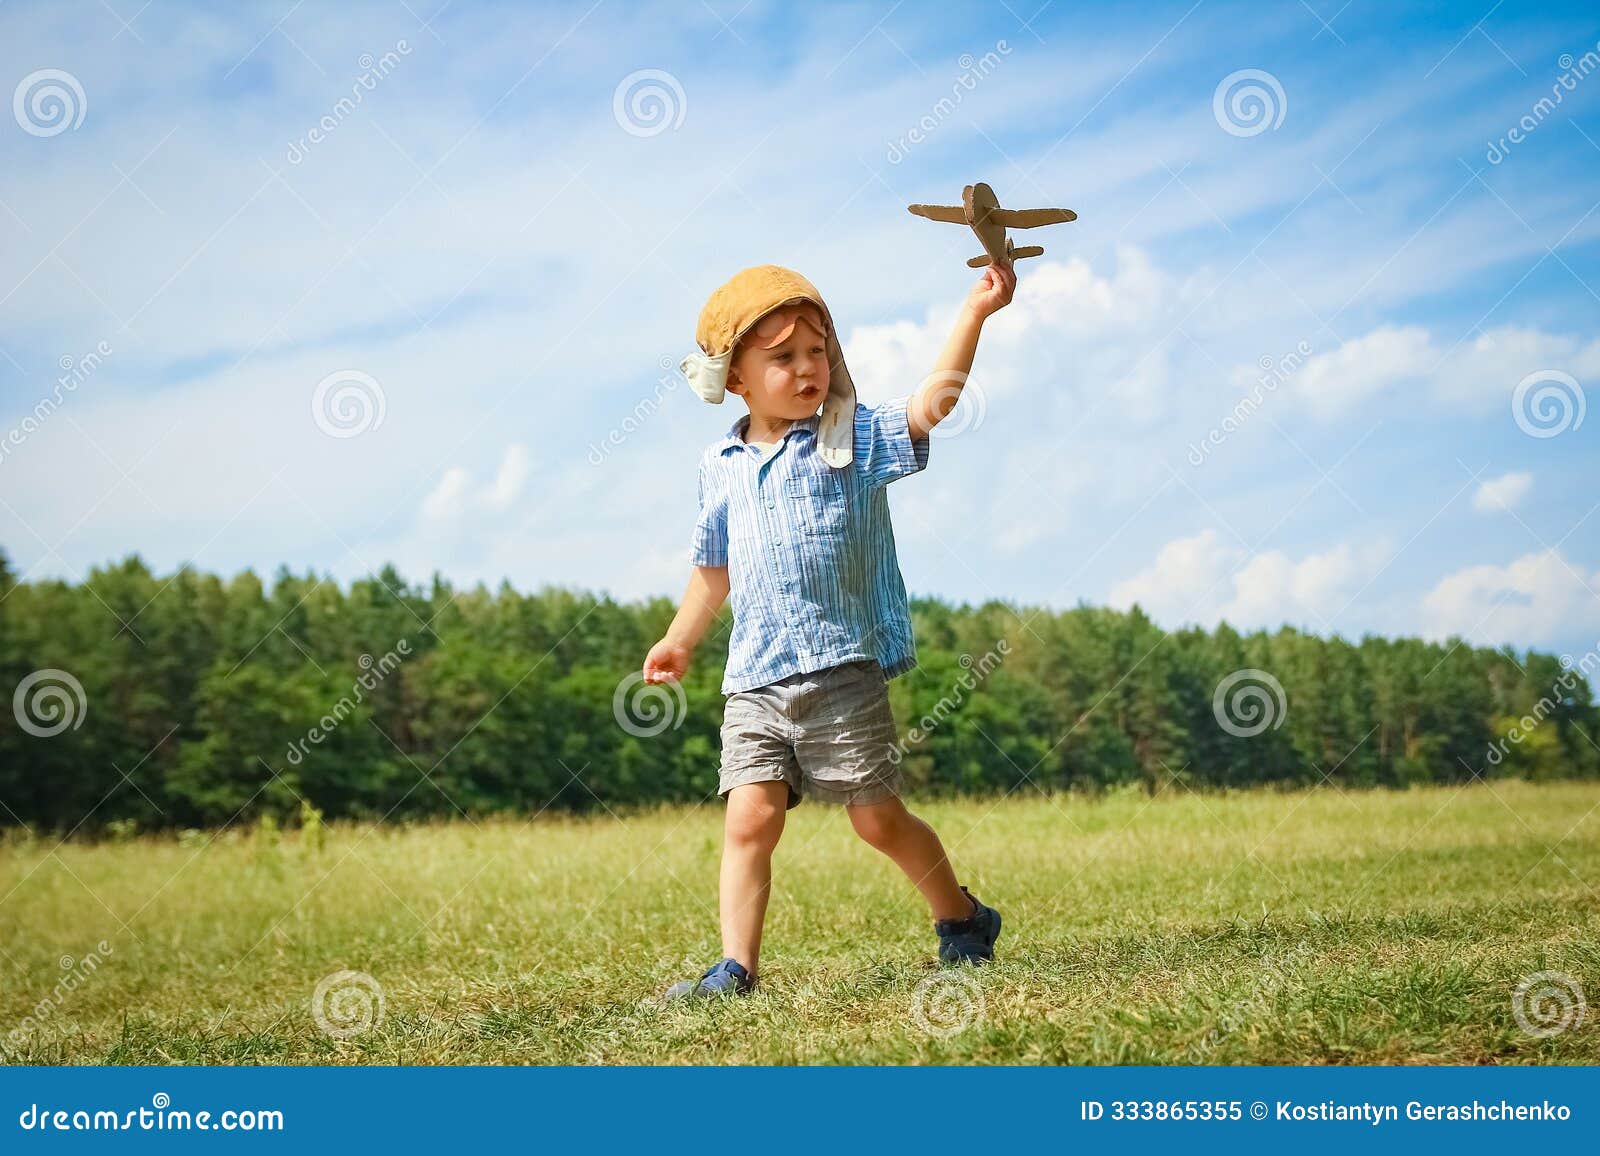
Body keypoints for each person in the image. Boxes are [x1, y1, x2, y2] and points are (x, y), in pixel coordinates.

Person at [643, 260, 1016, 998]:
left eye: (817, 350)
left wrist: (974, 313)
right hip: (754, 679)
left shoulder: (848, 439)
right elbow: (713, 569)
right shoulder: (720, 466)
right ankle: (736, 968)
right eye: (783, 356)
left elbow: (931, 405)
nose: (808, 367)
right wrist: (679, 639)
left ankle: (963, 917)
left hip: (841, 670)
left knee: (876, 820)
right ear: (737, 378)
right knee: (748, 822)